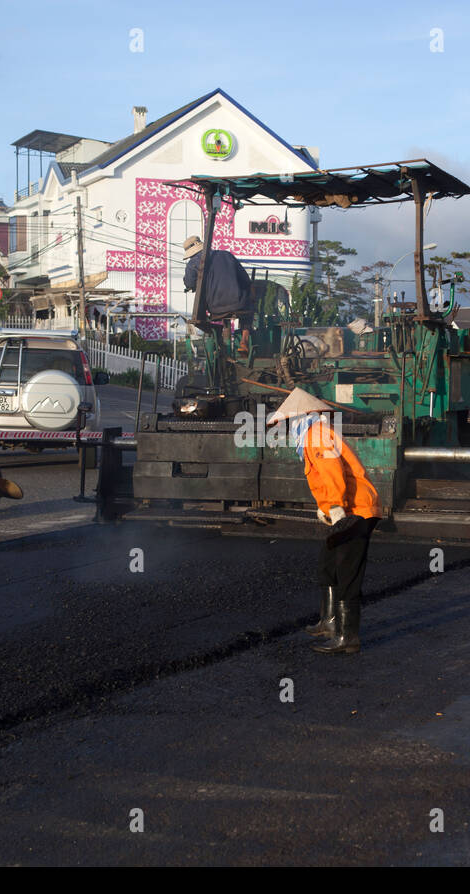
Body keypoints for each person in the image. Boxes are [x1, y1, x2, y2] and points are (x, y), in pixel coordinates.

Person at [267, 387, 382, 655]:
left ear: (299, 418)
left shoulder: (316, 436)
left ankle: (347, 638)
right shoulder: (312, 436)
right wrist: (326, 508)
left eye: (287, 422)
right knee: (327, 565)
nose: (286, 428)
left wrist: (336, 507)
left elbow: (332, 474)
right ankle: (330, 623)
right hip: (345, 509)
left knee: (347, 573)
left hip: (355, 511)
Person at [182, 236, 254, 355]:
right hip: (239, 303)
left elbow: (189, 283)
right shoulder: (226, 255)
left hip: (215, 308)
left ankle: (220, 341)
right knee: (249, 307)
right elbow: (245, 280)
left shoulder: (192, 264)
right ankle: (244, 340)